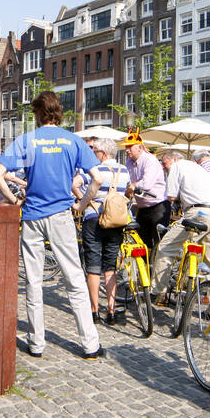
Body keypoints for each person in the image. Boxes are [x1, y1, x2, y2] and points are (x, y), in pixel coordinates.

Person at [0, 92, 102, 359]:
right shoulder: (72, 140)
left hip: (31, 216)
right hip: (61, 216)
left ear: (39, 114)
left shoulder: (26, 141)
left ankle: (36, 343)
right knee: (74, 278)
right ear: (57, 113)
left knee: (33, 281)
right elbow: (97, 179)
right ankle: (90, 344)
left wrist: (14, 199)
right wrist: (81, 205)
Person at [151, 150, 210, 300]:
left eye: (164, 163)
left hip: (199, 213)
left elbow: (171, 196)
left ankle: (157, 291)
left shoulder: (177, 166)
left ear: (173, 159)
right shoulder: (198, 168)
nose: (163, 167)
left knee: (166, 247)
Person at [73, 137, 129, 324]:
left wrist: (84, 201)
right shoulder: (125, 170)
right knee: (110, 266)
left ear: (102, 154)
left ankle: (94, 310)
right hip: (116, 221)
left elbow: (75, 184)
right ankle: (111, 311)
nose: (93, 154)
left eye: (95, 151)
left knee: (94, 267)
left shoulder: (96, 170)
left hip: (94, 218)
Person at [121, 131, 167, 259]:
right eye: (126, 147)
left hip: (158, 206)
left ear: (140, 148)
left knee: (158, 244)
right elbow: (126, 181)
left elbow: (146, 184)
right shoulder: (129, 163)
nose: (127, 150)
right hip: (142, 207)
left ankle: (156, 275)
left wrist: (133, 186)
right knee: (142, 243)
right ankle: (145, 274)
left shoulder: (150, 160)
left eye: (130, 147)